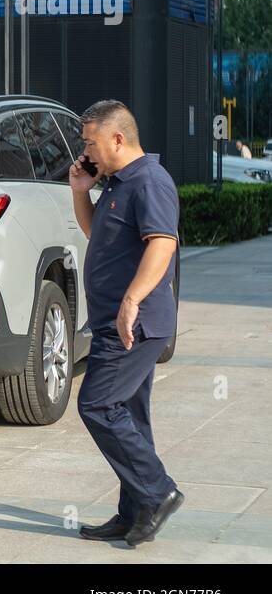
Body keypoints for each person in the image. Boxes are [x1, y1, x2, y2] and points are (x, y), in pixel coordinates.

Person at [69, 100, 183, 547]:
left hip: (133, 324)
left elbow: (162, 244)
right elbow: (96, 234)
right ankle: (134, 513)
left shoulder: (149, 181)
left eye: (90, 143)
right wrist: (81, 190)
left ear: (117, 139)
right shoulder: (118, 182)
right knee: (130, 417)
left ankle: (158, 492)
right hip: (115, 322)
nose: (86, 152)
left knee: (97, 405)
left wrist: (131, 300)